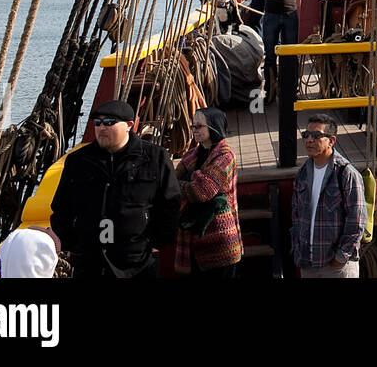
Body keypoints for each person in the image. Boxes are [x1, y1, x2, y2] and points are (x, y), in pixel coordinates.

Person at [49, 99, 180, 278]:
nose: (102, 127)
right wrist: (72, 245)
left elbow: (170, 205)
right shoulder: (78, 161)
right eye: (98, 123)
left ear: (129, 125)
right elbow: (61, 209)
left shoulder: (155, 158)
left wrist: (155, 243)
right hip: (90, 264)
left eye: (109, 122)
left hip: (137, 263)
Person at [291, 113, 367, 278]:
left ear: (331, 141)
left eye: (316, 135)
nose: (309, 140)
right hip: (308, 263)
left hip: (337, 267)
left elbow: (357, 220)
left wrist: (340, 257)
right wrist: (298, 248)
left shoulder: (346, 174)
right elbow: (296, 215)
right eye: (306, 135)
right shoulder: (302, 174)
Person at [174, 107, 243, 277]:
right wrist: (193, 179)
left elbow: (202, 191)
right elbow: (172, 183)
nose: (194, 130)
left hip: (221, 243)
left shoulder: (226, 156)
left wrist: (188, 179)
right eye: (193, 126)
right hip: (194, 241)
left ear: (213, 127)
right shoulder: (190, 156)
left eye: (199, 126)